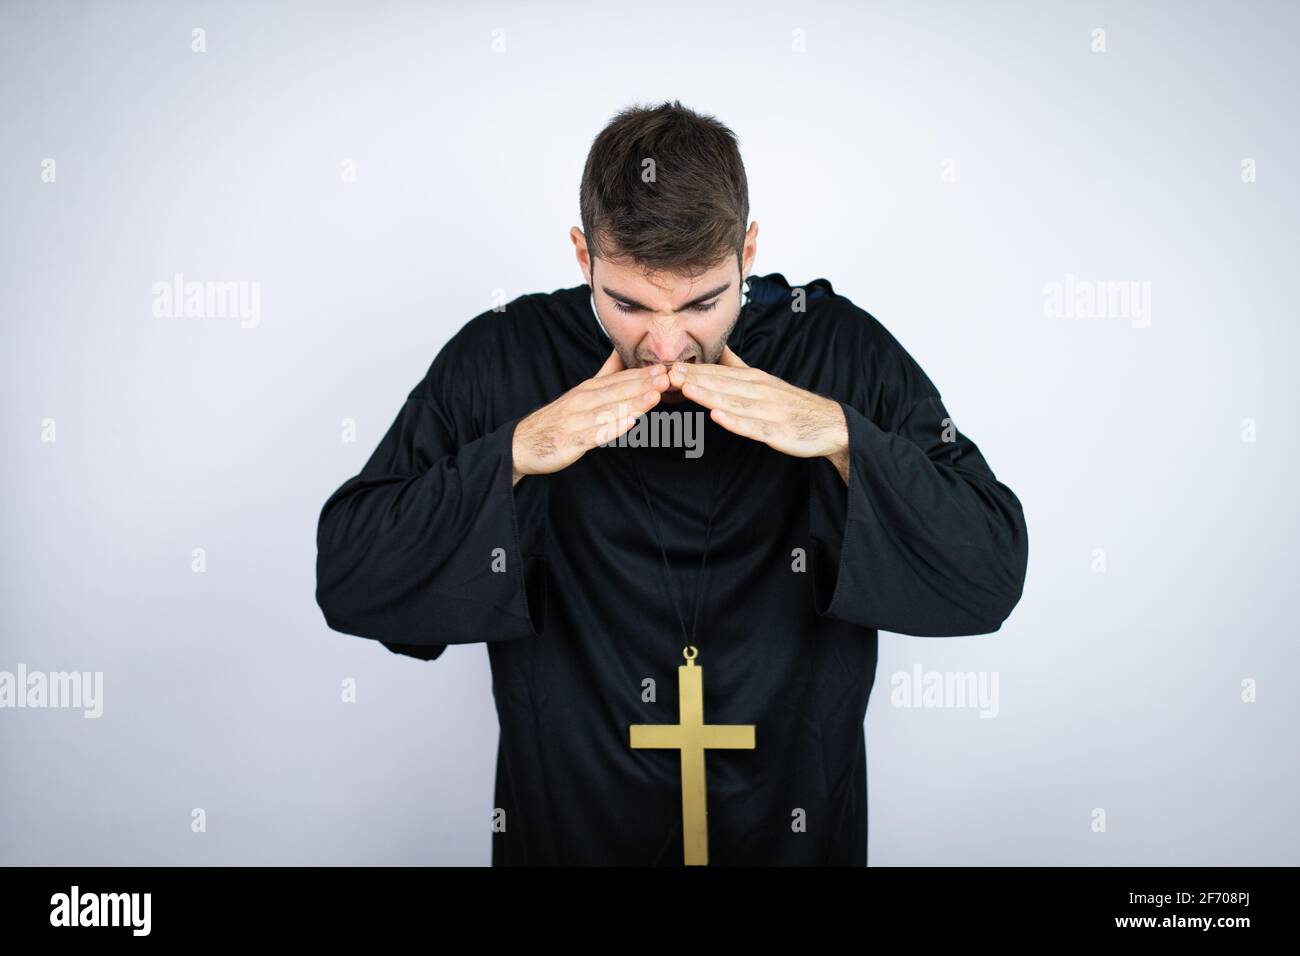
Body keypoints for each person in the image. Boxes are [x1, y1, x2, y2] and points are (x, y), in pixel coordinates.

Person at [315, 99, 1029, 865]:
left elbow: (988, 573)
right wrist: (516, 452)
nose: (664, 345)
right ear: (583, 255)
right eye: (627, 303)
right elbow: (352, 579)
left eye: (702, 303)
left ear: (746, 251)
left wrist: (843, 440)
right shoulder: (503, 358)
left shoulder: (839, 351)